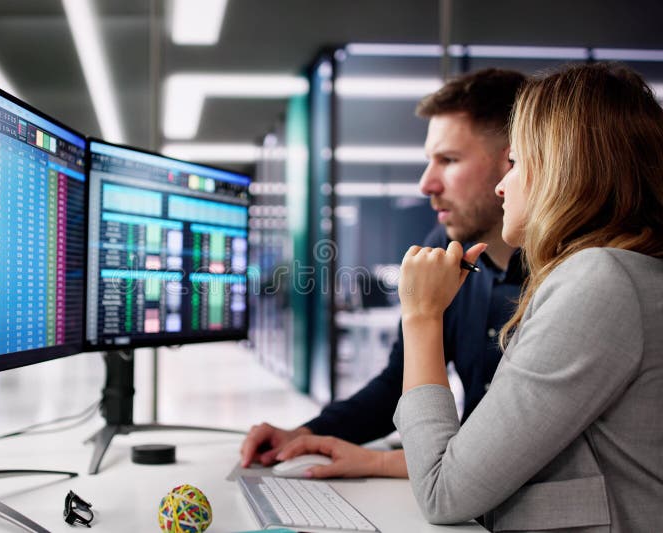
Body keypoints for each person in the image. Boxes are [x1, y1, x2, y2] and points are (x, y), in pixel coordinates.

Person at [389, 63, 663, 531]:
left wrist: (421, 314)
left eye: (514, 163)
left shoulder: (602, 280)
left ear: (565, 166)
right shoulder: (611, 273)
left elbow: (444, 492)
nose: (502, 184)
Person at [240, 68, 527, 477]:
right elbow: (398, 382)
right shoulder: (444, 251)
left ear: (513, 162)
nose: (427, 183)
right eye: (430, 160)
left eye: (448, 160)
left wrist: (380, 462)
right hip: (464, 494)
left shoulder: (569, 278)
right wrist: (304, 433)